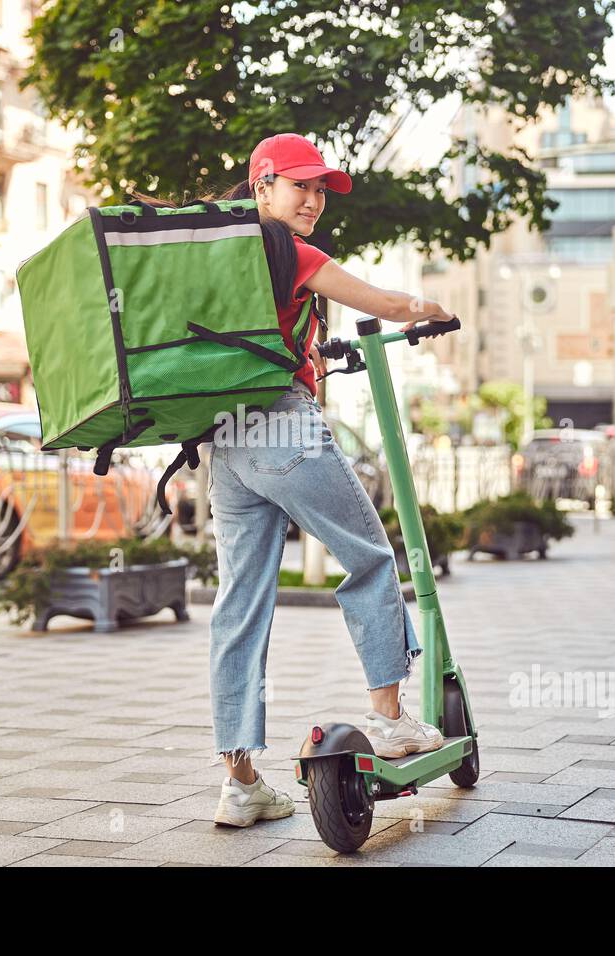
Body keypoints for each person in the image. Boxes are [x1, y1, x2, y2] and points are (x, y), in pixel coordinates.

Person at [202, 133, 457, 828]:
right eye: (299, 186)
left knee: (240, 604)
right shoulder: (290, 252)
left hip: (221, 438)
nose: (313, 200)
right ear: (262, 185)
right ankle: (388, 719)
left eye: (320, 189)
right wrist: (425, 307)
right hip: (282, 426)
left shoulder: (215, 252)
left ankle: (241, 781)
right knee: (370, 556)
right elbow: (378, 299)